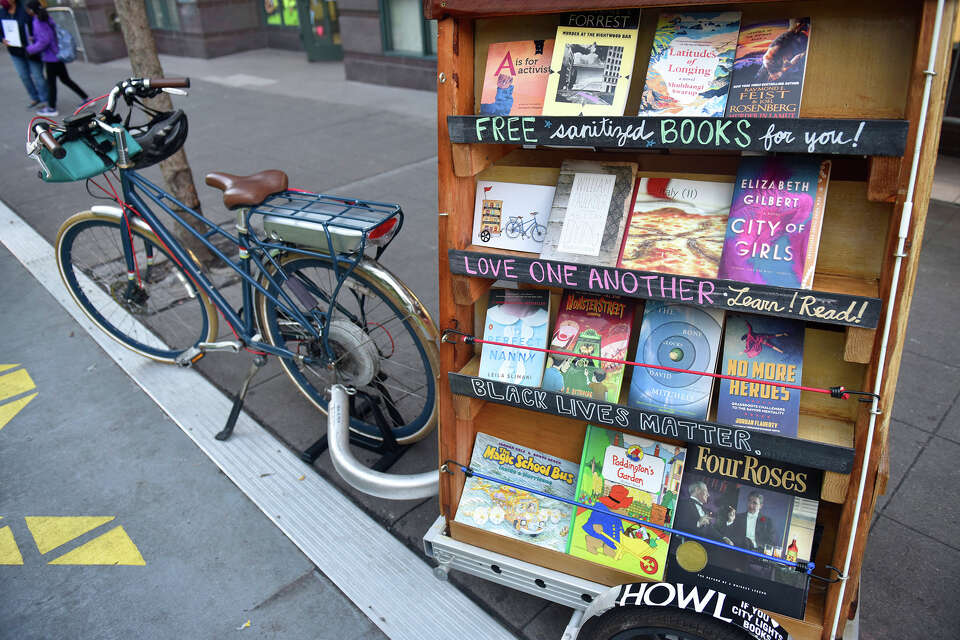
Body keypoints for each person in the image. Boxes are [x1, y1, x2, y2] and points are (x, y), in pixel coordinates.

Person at [25, 0, 87, 117]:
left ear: (32, 10)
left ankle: (52, 107)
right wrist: (35, 40)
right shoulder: (45, 17)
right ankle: (86, 98)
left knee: (52, 83)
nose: (27, 11)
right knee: (65, 79)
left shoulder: (38, 21)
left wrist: (30, 49)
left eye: (28, 9)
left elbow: (45, 40)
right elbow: (46, 36)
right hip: (56, 54)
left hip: (51, 57)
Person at [1, 0, 48, 108]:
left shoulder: (24, 7)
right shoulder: (2, 13)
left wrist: (35, 38)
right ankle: (34, 98)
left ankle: (45, 99)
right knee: (24, 76)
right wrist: (2, 39)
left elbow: (36, 22)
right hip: (15, 51)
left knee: (38, 76)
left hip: (31, 50)